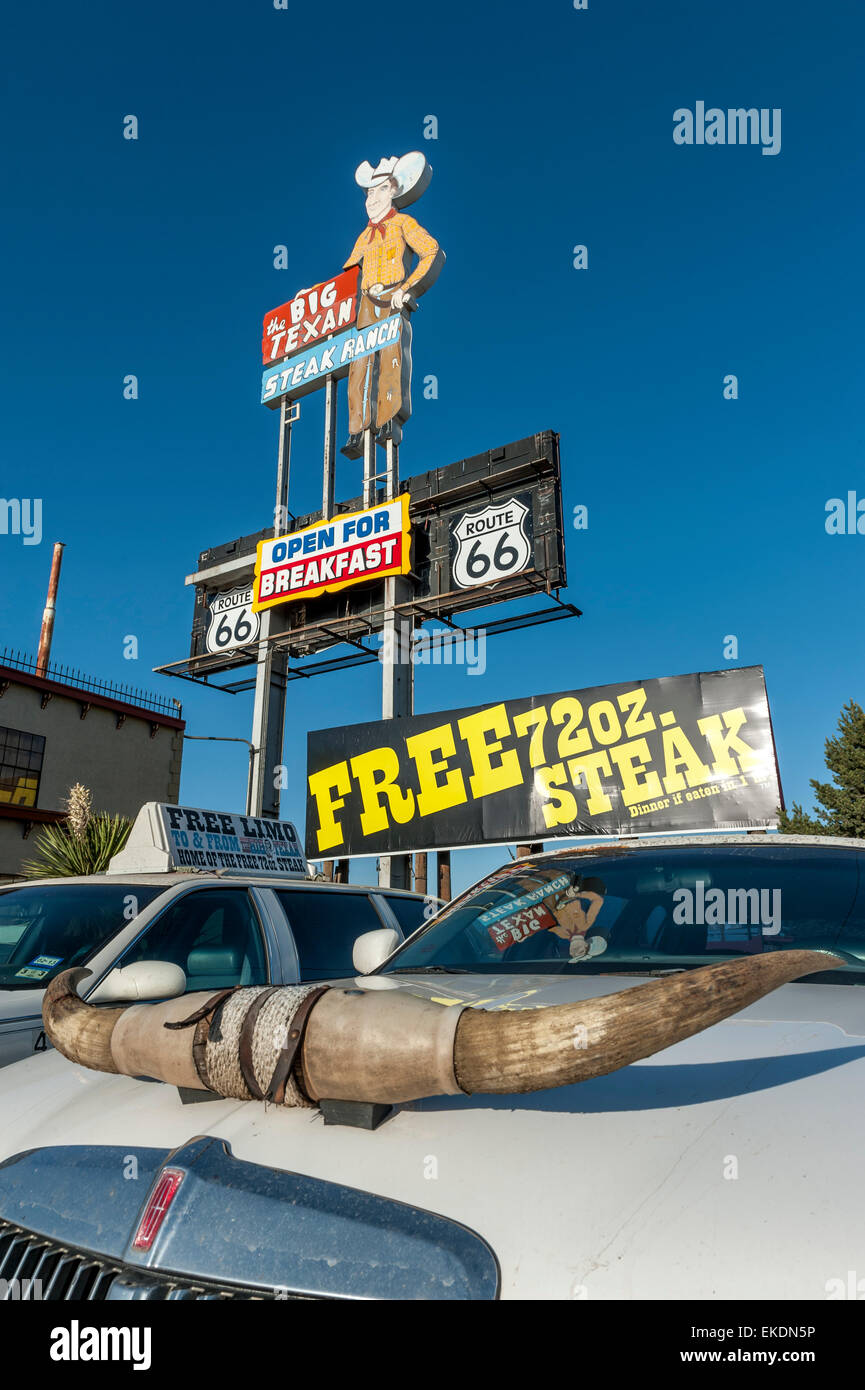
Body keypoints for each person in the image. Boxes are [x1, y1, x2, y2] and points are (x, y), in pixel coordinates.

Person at [342, 153, 444, 458]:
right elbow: (347, 275)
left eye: (378, 191)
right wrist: (316, 299)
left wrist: (407, 287)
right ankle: (357, 430)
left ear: (393, 191)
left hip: (391, 298)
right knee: (359, 366)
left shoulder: (403, 223)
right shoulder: (364, 236)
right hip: (365, 303)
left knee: (391, 359)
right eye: (368, 193)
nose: (371, 198)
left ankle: (388, 420)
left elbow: (432, 251)